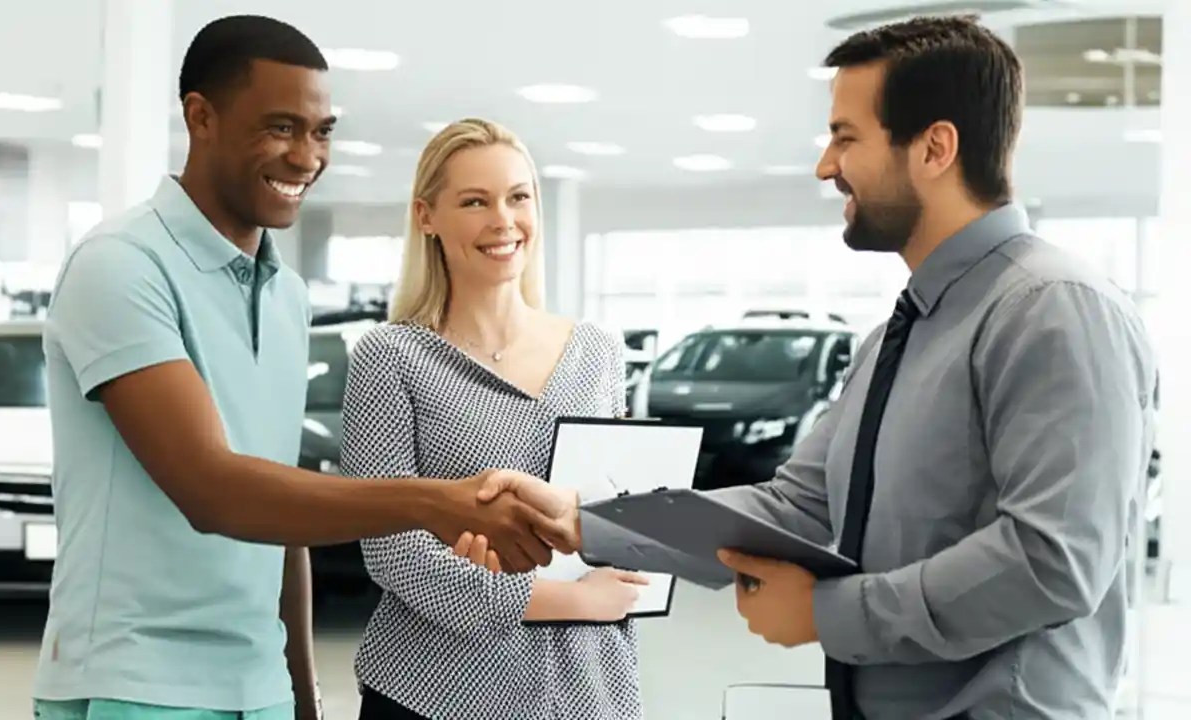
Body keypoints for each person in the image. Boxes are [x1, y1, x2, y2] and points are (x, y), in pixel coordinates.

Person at [481, 14, 1158, 720]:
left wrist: (829, 613)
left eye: (845, 137)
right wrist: (586, 522)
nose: (825, 166)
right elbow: (796, 508)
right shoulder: (898, 338)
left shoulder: (1055, 311)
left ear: (935, 148)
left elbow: (1051, 562)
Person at [31, 17, 571, 720]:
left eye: (322, 132)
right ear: (202, 117)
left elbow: (280, 516)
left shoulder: (285, 295)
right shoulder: (120, 266)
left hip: (259, 688)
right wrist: (436, 501)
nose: (306, 157)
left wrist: (301, 693)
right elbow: (212, 489)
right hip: (135, 684)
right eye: (281, 128)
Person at [340, 118, 649, 720]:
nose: (503, 221)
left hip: (584, 690)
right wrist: (576, 601)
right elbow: (391, 550)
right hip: (434, 692)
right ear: (427, 216)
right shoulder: (390, 357)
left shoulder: (597, 351)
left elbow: (623, 519)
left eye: (518, 196)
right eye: (474, 201)